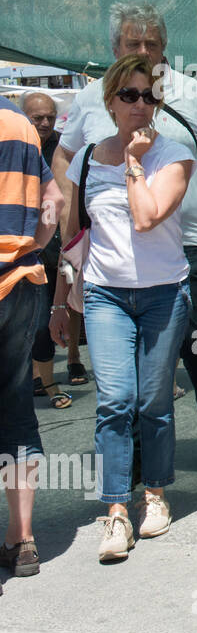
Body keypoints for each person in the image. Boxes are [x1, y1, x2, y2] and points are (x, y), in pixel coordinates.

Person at [53, 2, 197, 466]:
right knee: (127, 352)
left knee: (196, 338)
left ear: (165, 48)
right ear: (115, 48)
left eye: (152, 44)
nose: (143, 50)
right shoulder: (91, 99)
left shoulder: (191, 93)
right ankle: (137, 452)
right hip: (115, 250)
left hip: (187, 240)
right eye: (133, 43)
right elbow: (64, 158)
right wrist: (73, 222)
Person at [50, 55, 196, 563]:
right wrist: (57, 303)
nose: (140, 105)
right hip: (105, 295)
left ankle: (154, 495)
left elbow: (146, 218)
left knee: (153, 402)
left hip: (163, 294)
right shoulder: (86, 158)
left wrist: (135, 162)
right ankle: (114, 510)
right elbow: (73, 238)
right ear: (111, 100)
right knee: (115, 400)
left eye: (149, 96)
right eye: (129, 96)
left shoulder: (174, 155)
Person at [0, 96, 64, 585]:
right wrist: (33, 249)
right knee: (18, 406)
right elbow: (55, 202)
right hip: (23, 283)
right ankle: (21, 540)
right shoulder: (19, 124)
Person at [23, 93, 74, 410]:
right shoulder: (15, 143)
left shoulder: (63, 146)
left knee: (50, 316)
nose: (44, 122)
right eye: (36, 117)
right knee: (27, 320)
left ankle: (51, 376)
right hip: (20, 243)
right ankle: (35, 379)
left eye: (49, 117)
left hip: (54, 243)